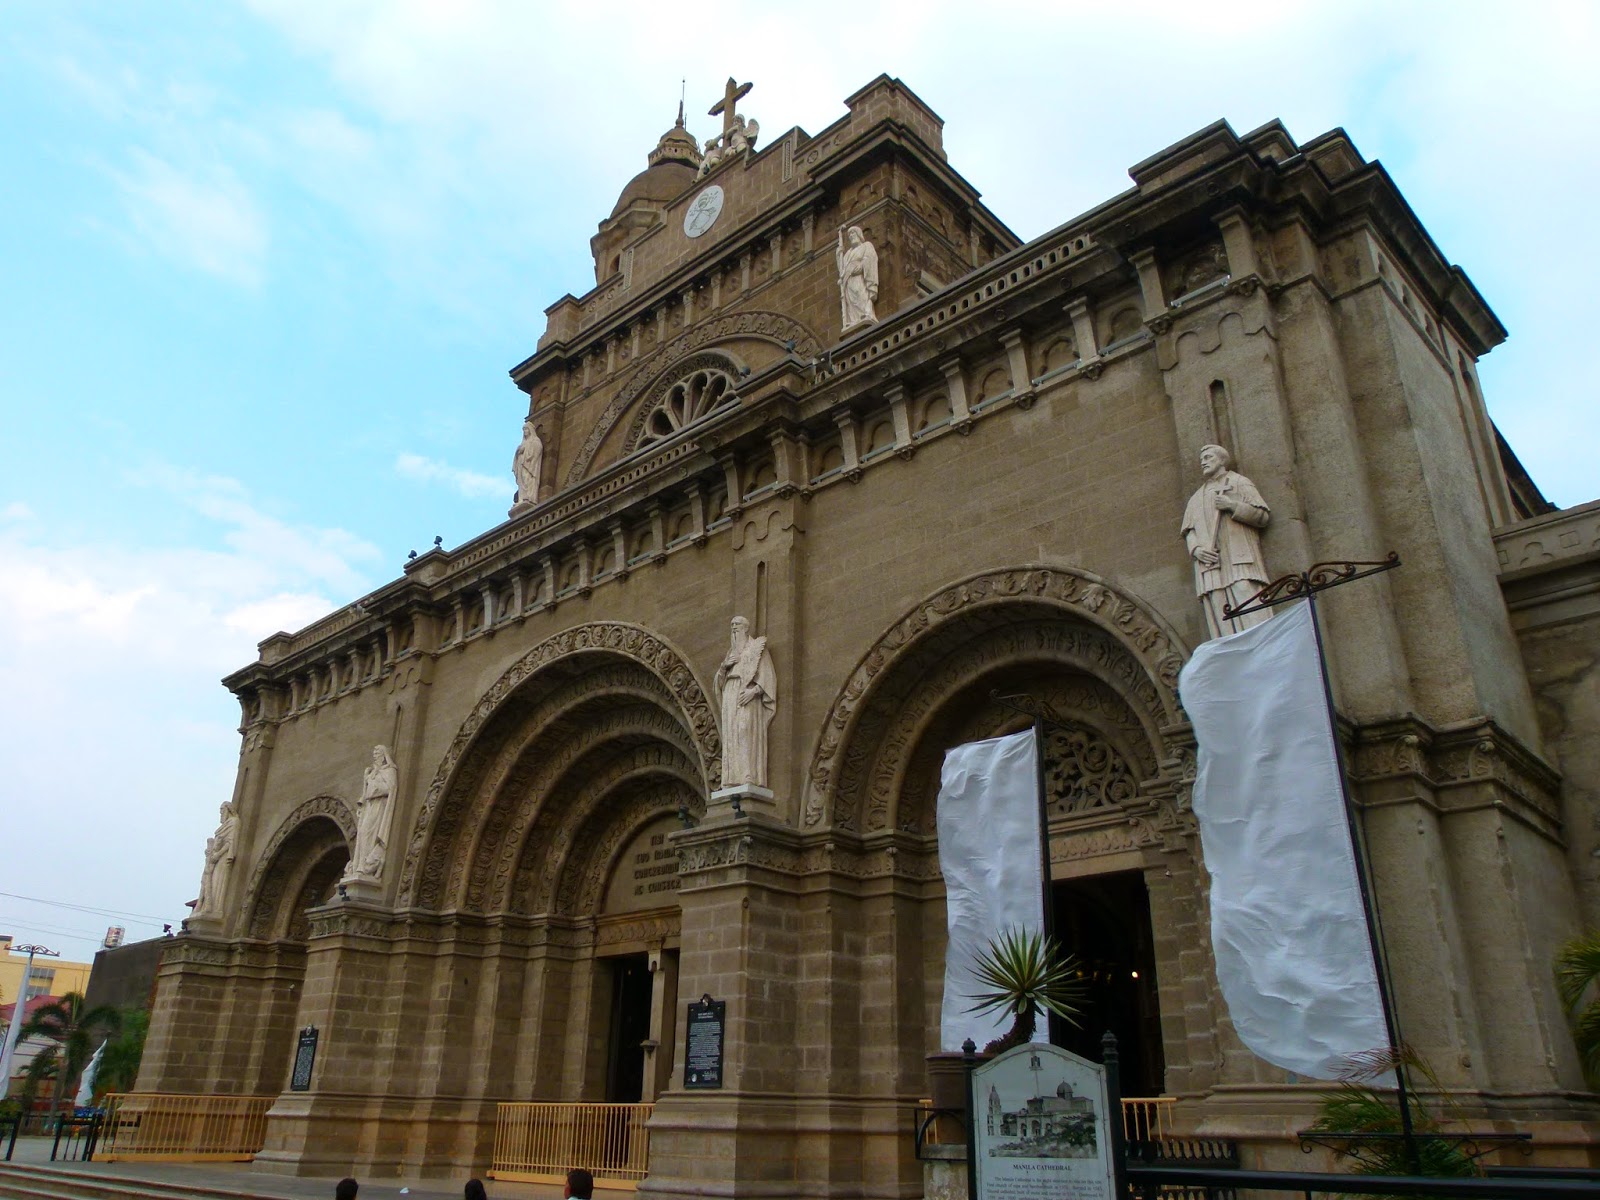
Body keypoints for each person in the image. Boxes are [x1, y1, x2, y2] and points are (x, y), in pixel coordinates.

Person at [1179, 443, 1272, 639]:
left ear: (1221, 460)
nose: (1203, 462)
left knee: (1246, 596)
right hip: (1211, 566)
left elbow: (1262, 516)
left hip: (1240, 560)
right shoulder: (1196, 498)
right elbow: (1189, 531)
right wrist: (1196, 550)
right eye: (1201, 459)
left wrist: (1232, 506)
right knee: (1220, 615)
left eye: (1208, 458)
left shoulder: (1239, 483)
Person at [714, 616, 778, 789]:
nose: (734, 628)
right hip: (730, 695)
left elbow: (767, 676)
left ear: (746, 628)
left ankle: (748, 775)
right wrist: (724, 667)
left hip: (747, 695)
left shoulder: (758, 648)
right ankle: (732, 778)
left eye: (737, 625)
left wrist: (754, 691)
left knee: (745, 731)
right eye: (732, 625)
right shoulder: (731, 654)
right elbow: (719, 683)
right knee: (731, 736)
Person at [348, 745, 398, 882]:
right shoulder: (372, 772)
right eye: (374, 752)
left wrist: (374, 789)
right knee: (362, 833)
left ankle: (367, 865)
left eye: (378, 752)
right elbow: (365, 793)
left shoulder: (389, 770)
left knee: (369, 833)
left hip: (379, 806)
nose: (375, 754)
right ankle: (360, 865)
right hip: (368, 807)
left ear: (384, 755)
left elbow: (391, 788)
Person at [836, 225, 879, 332]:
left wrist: (862, 266)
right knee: (851, 300)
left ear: (859, 234)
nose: (851, 236)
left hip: (860, 276)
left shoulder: (866, 246)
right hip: (849, 280)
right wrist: (838, 254)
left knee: (861, 294)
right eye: (849, 235)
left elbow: (870, 258)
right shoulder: (848, 254)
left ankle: (867, 313)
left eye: (853, 233)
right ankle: (854, 320)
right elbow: (842, 269)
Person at [512, 419, 543, 508]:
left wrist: (525, 451)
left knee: (527, 479)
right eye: (524, 430)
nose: (525, 432)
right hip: (521, 465)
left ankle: (529, 498)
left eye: (526, 429)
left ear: (530, 430)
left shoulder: (535, 441)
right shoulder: (524, 442)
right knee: (521, 482)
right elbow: (518, 454)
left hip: (529, 466)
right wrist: (519, 451)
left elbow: (538, 449)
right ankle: (521, 499)